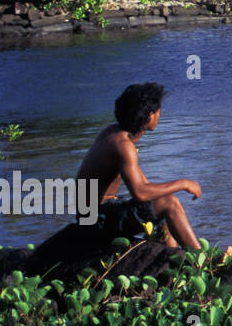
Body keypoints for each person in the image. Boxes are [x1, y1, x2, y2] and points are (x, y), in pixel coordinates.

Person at [75, 83, 202, 249]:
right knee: (169, 203)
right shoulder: (123, 145)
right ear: (149, 115)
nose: (159, 114)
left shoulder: (113, 133)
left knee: (161, 204)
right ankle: (203, 263)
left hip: (93, 213)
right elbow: (141, 193)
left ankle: (172, 255)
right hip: (95, 219)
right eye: (158, 110)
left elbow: (143, 185)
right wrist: (184, 183)